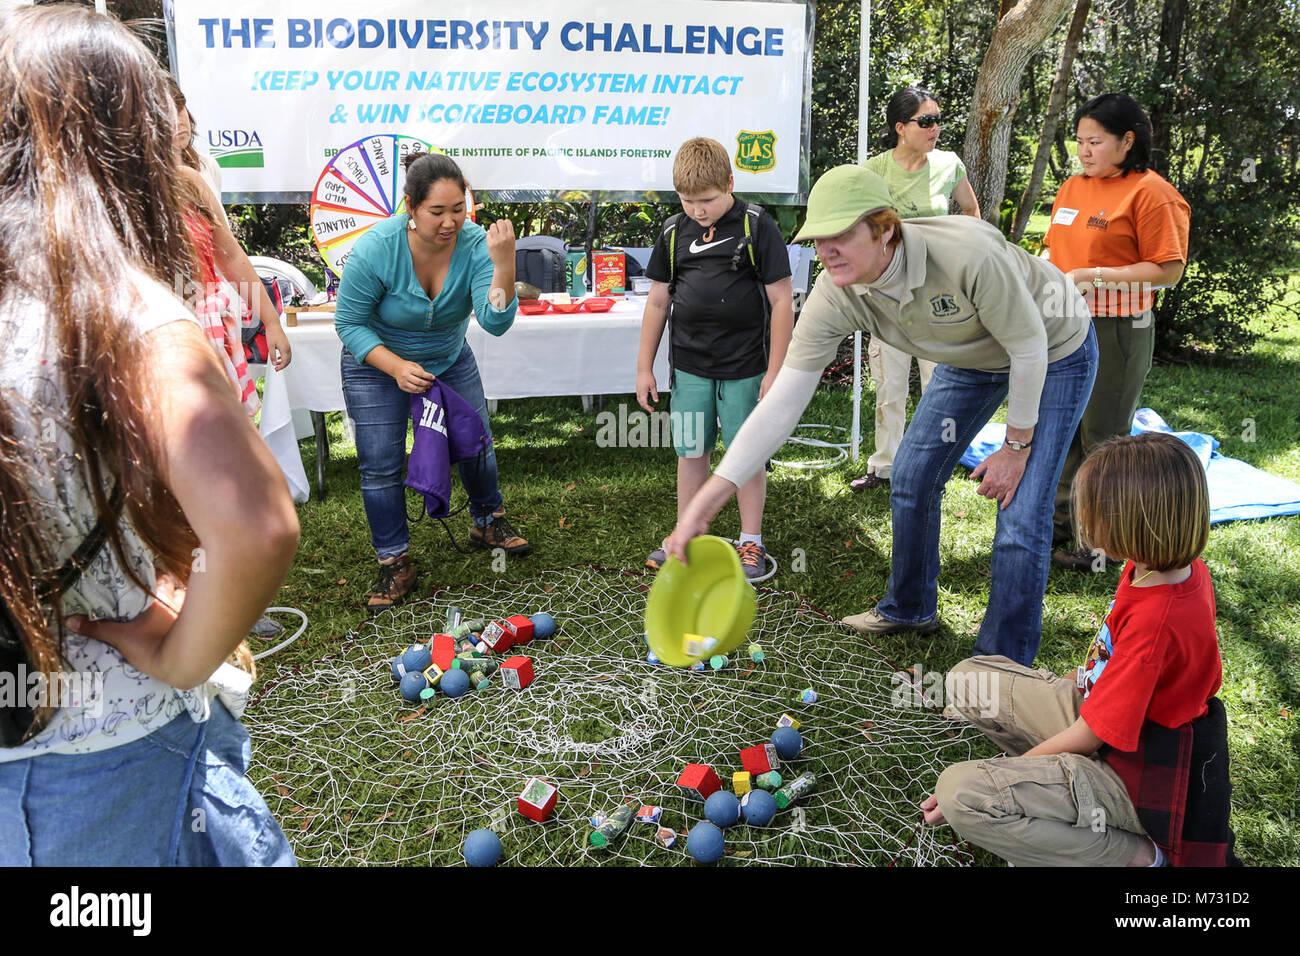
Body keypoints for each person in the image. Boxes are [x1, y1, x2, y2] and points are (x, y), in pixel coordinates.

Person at [0, 5, 299, 865]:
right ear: (121, 135)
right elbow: (257, 525)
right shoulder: (119, 315)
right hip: (115, 771)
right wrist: (180, 656)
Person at [665, 164, 1097, 666]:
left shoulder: (968, 255)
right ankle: (910, 607)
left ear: (885, 229)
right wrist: (706, 502)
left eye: (841, 236)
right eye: (817, 238)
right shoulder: (835, 291)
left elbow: (1028, 349)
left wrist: (1015, 447)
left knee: (1021, 510)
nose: (825, 250)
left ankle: (1001, 665)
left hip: (1054, 347)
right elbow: (783, 402)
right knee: (911, 476)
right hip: (970, 357)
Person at [922, 432, 1237, 867]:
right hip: (1104, 717)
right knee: (967, 680)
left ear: (1132, 522)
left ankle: (1142, 857)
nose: (1083, 521)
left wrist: (1011, 773)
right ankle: (1048, 791)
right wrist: (1066, 688)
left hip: (1132, 770)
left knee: (962, 795)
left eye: (1092, 512)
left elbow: (1093, 735)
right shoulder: (1157, 564)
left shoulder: (1158, 623)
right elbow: (1107, 667)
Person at [335, 151, 525, 614]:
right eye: (437, 211)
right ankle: (394, 559)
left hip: (447, 357)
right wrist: (396, 367)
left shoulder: (477, 244)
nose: (450, 222)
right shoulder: (377, 247)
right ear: (410, 208)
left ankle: (486, 520)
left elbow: (495, 322)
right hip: (376, 363)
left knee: (476, 441)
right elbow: (350, 323)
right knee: (380, 463)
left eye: (458, 209)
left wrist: (504, 265)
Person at [636, 137, 794, 580]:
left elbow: (782, 302)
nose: (698, 210)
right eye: (688, 201)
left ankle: (751, 542)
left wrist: (776, 370)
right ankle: (687, 536)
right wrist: (644, 367)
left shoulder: (757, 226)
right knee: (692, 452)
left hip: (747, 367)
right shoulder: (672, 232)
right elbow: (657, 303)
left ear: (729, 183)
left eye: (706, 200)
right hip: (689, 367)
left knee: (746, 453)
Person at [1046, 93, 1190, 571]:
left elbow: (1168, 270)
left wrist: (1095, 276)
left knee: (1102, 436)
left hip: (1119, 327)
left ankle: (1102, 547)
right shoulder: (1072, 187)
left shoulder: (1152, 193)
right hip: (1065, 322)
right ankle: (1060, 524)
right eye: (1079, 141)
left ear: (1127, 141)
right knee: (1063, 429)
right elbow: (1058, 248)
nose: (1084, 151)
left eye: (1096, 142)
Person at [850, 86, 981, 493]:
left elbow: (972, 211)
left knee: (938, 383)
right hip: (889, 292)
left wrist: (967, 253)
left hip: (940, 292)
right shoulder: (873, 170)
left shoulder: (949, 164)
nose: (935, 128)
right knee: (890, 384)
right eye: (926, 121)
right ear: (901, 128)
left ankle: (934, 466)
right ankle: (885, 466)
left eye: (938, 120)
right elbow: (857, 224)